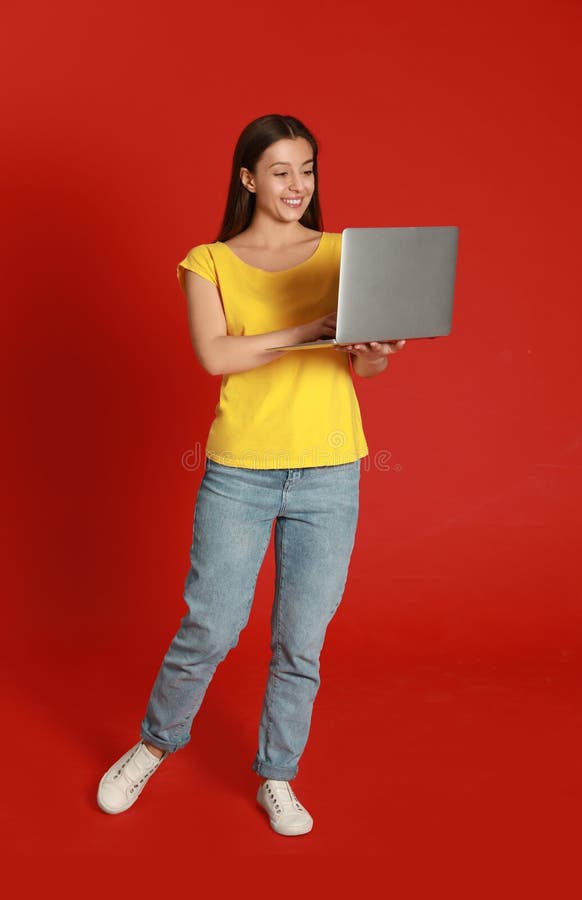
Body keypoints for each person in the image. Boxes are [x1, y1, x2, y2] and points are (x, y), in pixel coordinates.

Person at [96, 113, 405, 836]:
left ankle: (277, 774)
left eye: (307, 170)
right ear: (247, 179)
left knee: (302, 639)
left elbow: (364, 365)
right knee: (212, 625)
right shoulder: (208, 262)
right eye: (280, 171)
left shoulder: (343, 254)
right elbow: (216, 356)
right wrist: (310, 329)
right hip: (241, 471)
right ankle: (152, 744)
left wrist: (377, 347)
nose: (297, 185)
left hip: (331, 471)